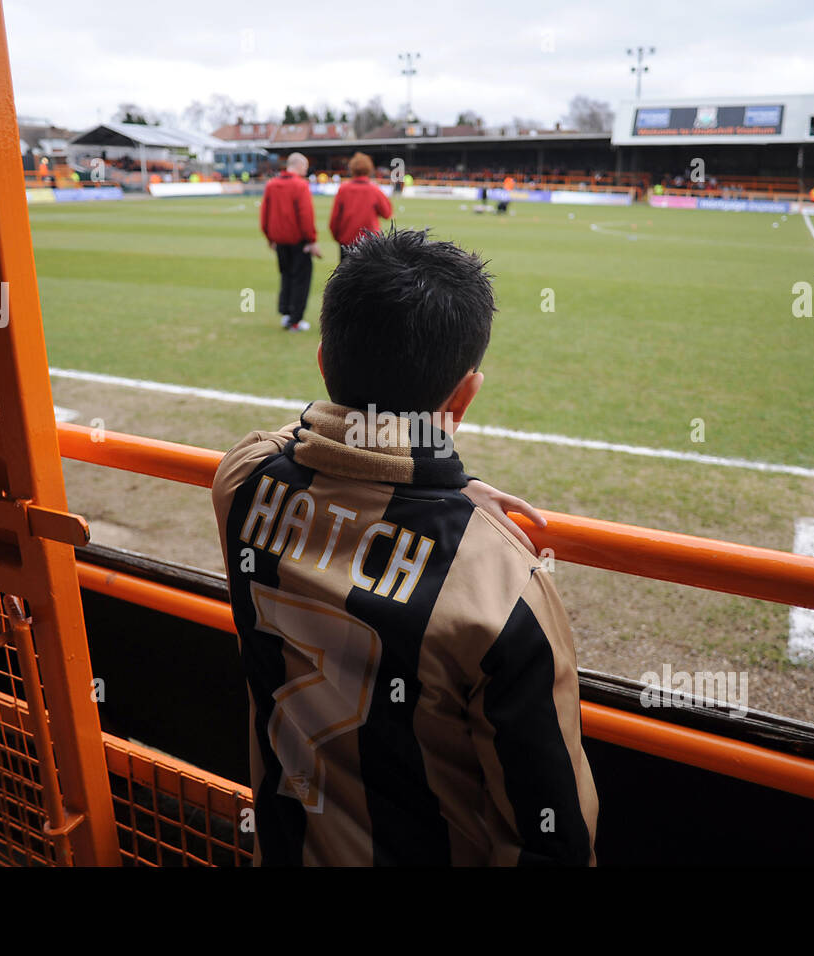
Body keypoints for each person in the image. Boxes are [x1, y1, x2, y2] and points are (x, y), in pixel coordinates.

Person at [211, 227, 599, 866]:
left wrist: (426, 472)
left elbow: (294, 436)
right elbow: (553, 838)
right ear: (464, 398)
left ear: (323, 362)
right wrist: (441, 478)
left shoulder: (242, 482)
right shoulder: (500, 583)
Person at [260, 152, 322, 331]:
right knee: (301, 280)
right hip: (299, 242)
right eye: (305, 166)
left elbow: (265, 214)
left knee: (286, 276)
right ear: (299, 165)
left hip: (279, 241)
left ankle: (286, 313)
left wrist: (269, 237)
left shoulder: (272, 185)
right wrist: (312, 240)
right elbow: (305, 216)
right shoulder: (300, 186)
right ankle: (295, 320)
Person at [328, 152, 393, 259]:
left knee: (346, 274)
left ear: (352, 169)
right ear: (369, 169)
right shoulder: (374, 189)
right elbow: (387, 212)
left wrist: (338, 238)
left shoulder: (343, 189)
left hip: (346, 242)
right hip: (369, 243)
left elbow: (334, 220)